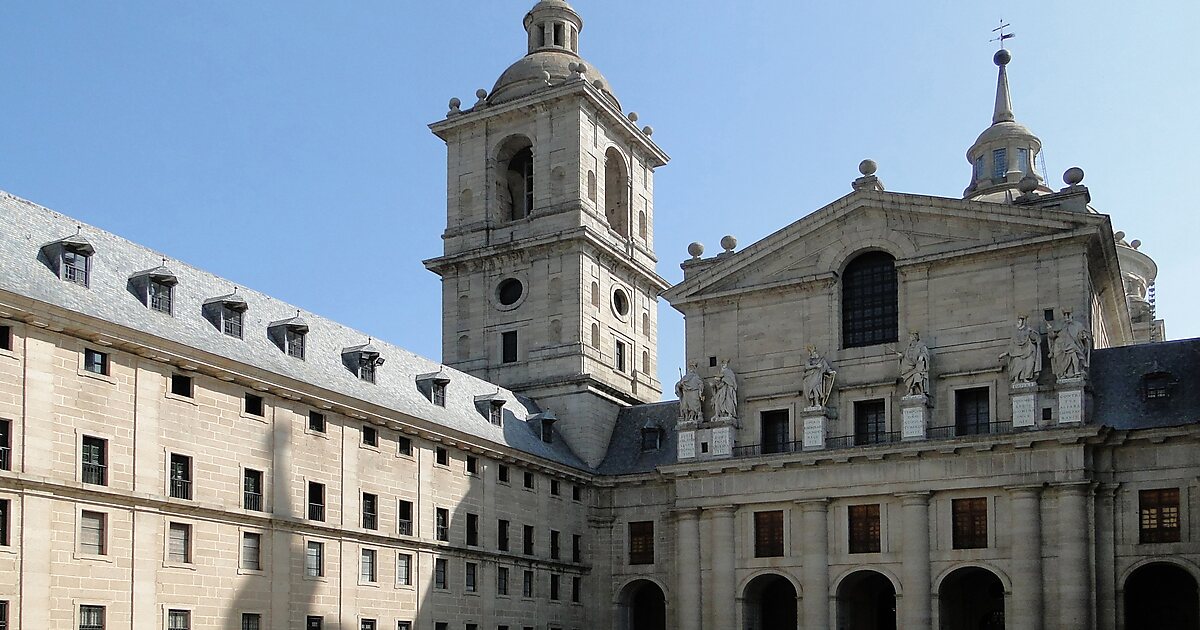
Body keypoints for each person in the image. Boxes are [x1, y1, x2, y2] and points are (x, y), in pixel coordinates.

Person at [999, 315, 1041, 384]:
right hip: (1016, 353)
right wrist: (1005, 353)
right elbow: (1011, 345)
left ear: (1023, 321)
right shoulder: (1015, 333)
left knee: (1029, 363)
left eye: (1020, 320)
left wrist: (1032, 333)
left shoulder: (1029, 330)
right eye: (1018, 320)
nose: (1018, 321)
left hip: (1028, 351)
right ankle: (1016, 379)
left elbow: (1035, 339)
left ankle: (1025, 378)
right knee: (1016, 362)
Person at [1049, 310, 1091, 379]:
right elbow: (1052, 336)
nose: (1066, 316)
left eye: (1068, 314)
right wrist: (1050, 331)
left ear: (1071, 315)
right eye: (1065, 314)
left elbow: (1083, 333)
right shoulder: (1059, 325)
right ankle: (1064, 373)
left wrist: (1084, 336)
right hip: (1060, 345)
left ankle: (1076, 371)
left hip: (1071, 344)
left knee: (1075, 357)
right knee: (1061, 361)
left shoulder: (1077, 325)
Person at [896, 331, 930, 397]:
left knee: (917, 377)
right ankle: (911, 391)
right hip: (909, 368)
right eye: (910, 336)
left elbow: (925, 354)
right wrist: (900, 356)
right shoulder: (908, 348)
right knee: (909, 379)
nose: (910, 338)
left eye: (912, 336)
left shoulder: (921, 346)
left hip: (918, 367)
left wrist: (922, 356)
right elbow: (904, 355)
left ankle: (921, 391)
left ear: (915, 337)